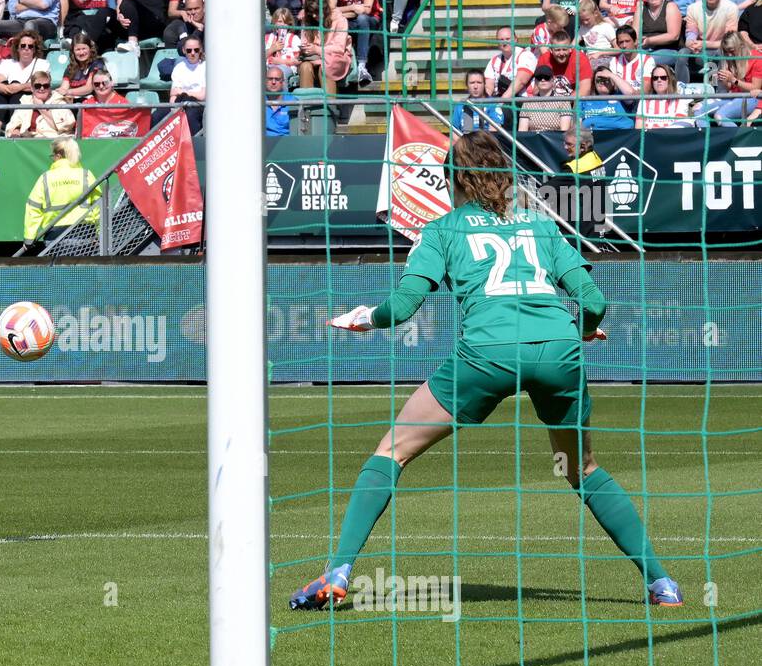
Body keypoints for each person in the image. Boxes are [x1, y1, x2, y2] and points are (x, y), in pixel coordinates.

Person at [290, 131, 683, 611]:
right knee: (580, 470)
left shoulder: (442, 230)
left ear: (452, 181)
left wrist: (364, 317)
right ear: (503, 174)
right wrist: (579, 329)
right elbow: (595, 301)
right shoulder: (541, 227)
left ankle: (339, 571)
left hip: (488, 356)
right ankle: (661, 583)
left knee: (392, 451)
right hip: (558, 354)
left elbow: (402, 306)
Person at [21, 137, 99, 244]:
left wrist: (29, 238)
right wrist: (100, 232)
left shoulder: (45, 178)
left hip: (54, 236)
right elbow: (99, 207)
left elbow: (33, 208)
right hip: (84, 234)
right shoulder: (86, 175)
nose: (52, 159)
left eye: (52, 156)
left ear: (58, 156)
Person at [326, 0, 377, 87]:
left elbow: (366, 9)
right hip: (347, 19)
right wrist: (354, 8)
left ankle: (362, 66)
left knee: (362, 19)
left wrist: (341, 12)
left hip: (371, 18)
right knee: (331, 20)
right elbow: (330, 9)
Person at [4, 68, 72, 136]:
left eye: (45, 86)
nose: (42, 89)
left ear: (50, 88)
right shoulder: (26, 101)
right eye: (37, 86)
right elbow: (14, 122)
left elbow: (65, 127)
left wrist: (41, 108)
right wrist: (16, 130)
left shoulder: (59, 101)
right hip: (28, 140)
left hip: (51, 140)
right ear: (32, 88)